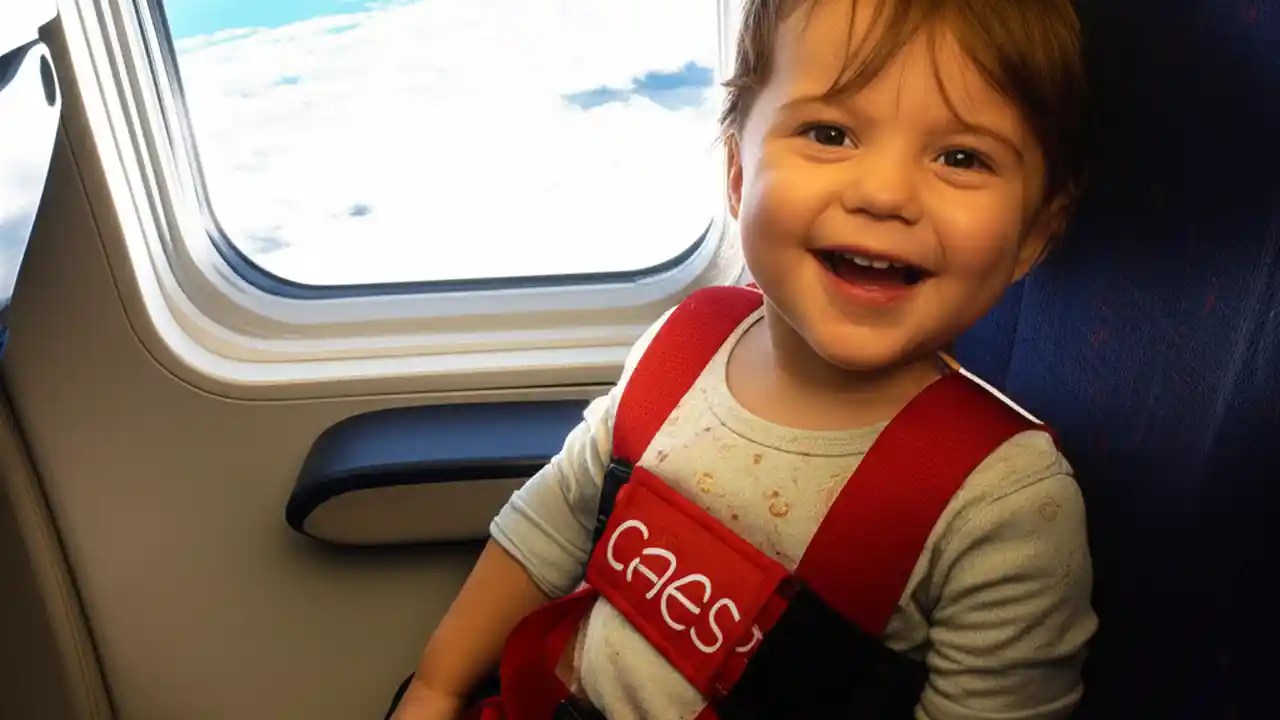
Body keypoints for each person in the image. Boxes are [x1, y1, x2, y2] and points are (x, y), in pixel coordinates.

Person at [394, 0, 1096, 717]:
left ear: (1036, 234)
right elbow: (552, 523)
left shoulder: (1004, 503)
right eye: (830, 133)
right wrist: (436, 687)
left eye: (960, 157)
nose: (885, 195)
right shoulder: (681, 350)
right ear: (736, 173)